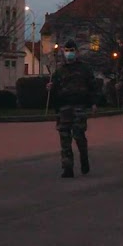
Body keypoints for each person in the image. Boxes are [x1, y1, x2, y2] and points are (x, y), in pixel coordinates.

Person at [48, 40, 98, 178]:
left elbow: (93, 87)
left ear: (76, 52)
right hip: (63, 107)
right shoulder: (59, 70)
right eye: (67, 50)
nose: (69, 53)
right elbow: (55, 90)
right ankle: (67, 167)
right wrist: (51, 89)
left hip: (79, 106)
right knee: (64, 138)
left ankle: (84, 159)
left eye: (71, 51)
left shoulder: (84, 69)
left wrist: (93, 103)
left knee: (79, 136)